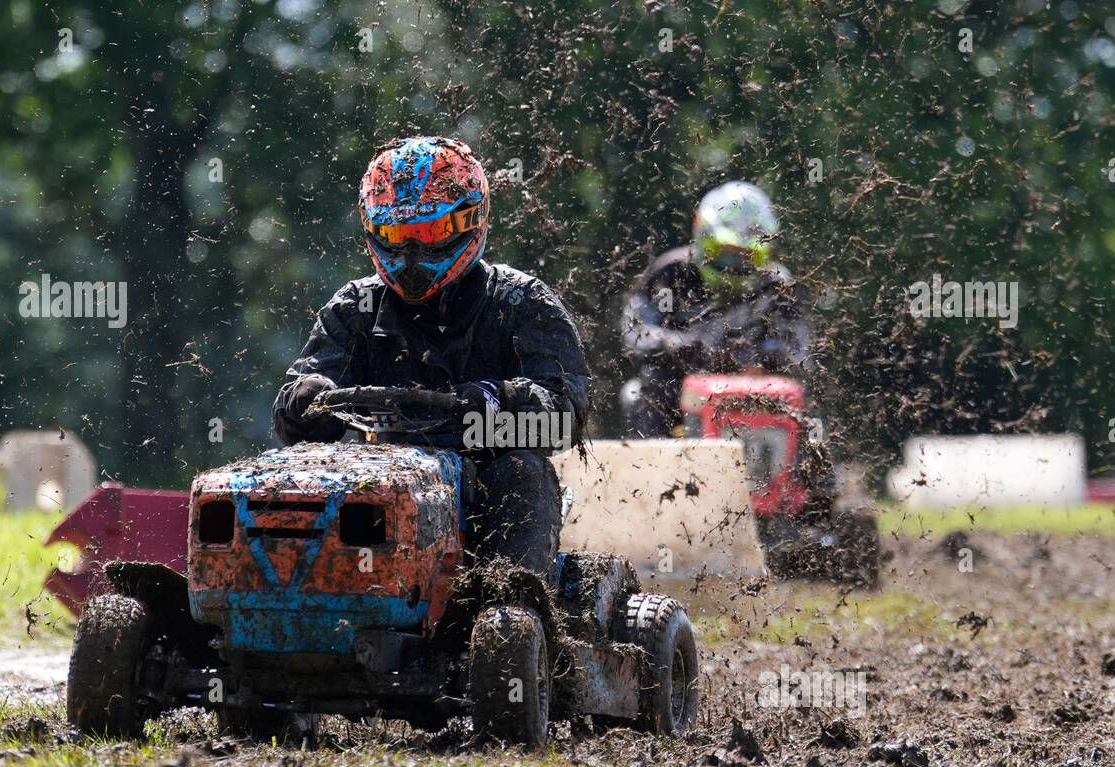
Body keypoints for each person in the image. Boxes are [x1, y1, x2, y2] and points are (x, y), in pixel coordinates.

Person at [272, 136, 588, 577]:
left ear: (469, 222)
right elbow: (293, 415)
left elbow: (565, 421)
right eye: (398, 237)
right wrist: (310, 399)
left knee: (523, 470)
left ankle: (513, 602)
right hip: (378, 481)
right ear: (373, 232)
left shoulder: (521, 302)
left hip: (484, 490)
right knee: (303, 471)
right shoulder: (355, 308)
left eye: (428, 234)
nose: (412, 255)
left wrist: (497, 401)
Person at [620, 181, 814, 438]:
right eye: (723, 252)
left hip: (758, 398)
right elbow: (635, 330)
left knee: (809, 408)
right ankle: (653, 473)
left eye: (745, 256)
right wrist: (680, 346)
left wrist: (759, 359)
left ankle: (806, 479)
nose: (732, 264)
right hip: (680, 391)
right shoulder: (670, 274)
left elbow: (801, 353)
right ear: (702, 239)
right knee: (640, 392)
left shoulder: (778, 286)